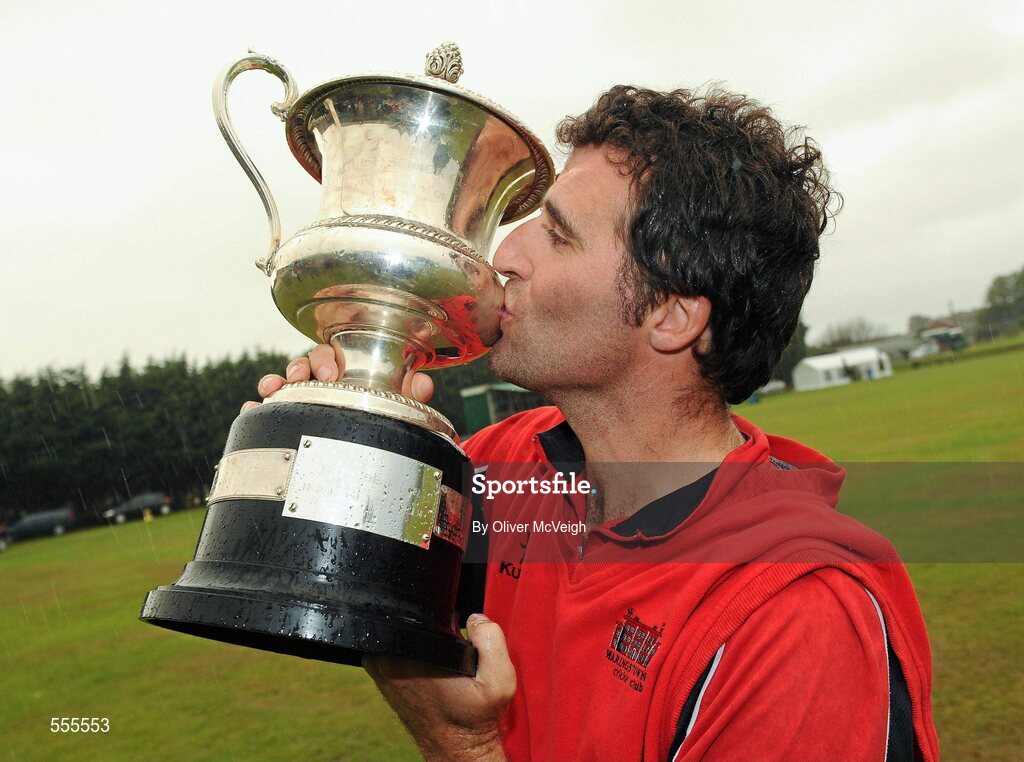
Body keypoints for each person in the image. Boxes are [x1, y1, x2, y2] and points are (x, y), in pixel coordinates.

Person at [247, 86, 939, 761]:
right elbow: (317, 579)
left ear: (672, 315)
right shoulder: (505, 467)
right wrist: (351, 426)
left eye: (557, 234)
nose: (506, 256)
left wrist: (463, 748)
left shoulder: (794, 616)